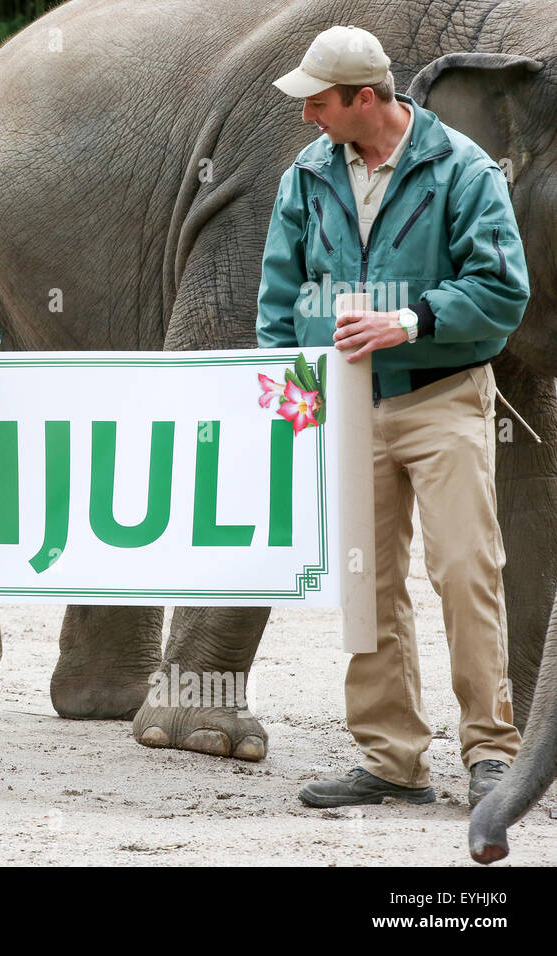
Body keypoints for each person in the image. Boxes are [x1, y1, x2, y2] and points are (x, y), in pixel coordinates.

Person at [256, 26, 530, 808]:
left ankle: (491, 752)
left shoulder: (467, 170)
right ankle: (390, 759)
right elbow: (280, 300)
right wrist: (289, 387)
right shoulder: (304, 178)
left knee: (466, 571)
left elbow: (503, 291)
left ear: (364, 99)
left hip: (441, 396)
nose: (307, 116)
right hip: (342, 404)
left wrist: (409, 320)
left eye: (318, 102)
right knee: (363, 582)